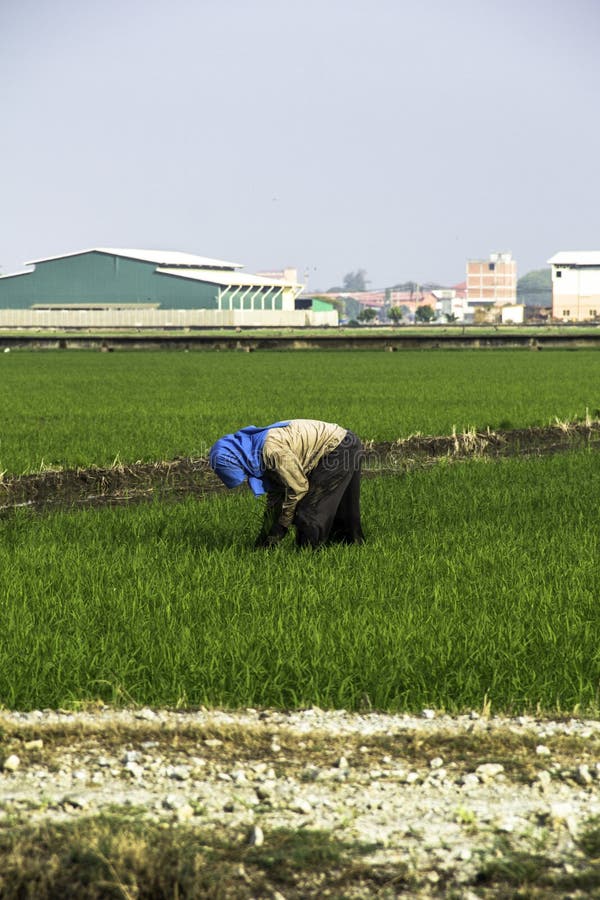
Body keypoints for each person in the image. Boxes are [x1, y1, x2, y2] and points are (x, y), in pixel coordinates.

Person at [209, 419, 364, 548]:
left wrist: (282, 524)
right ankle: (348, 546)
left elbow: (298, 488)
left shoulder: (272, 451)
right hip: (343, 443)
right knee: (342, 508)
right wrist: (269, 533)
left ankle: (308, 559)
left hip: (340, 447)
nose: (245, 477)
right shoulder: (253, 449)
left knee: (310, 510)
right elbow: (277, 493)